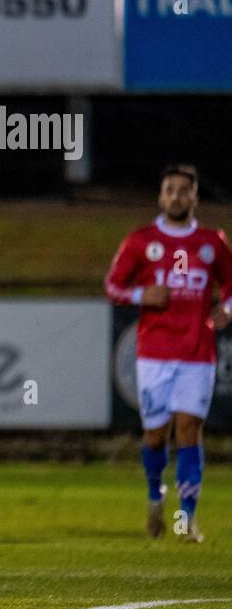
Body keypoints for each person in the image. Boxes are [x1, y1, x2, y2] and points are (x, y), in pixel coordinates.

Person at [105, 164, 232, 543]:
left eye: (184, 190)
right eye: (170, 190)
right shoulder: (141, 241)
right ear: (161, 197)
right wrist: (142, 295)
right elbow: (113, 286)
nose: (176, 196)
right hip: (155, 353)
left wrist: (227, 309)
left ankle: (185, 519)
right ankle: (154, 496)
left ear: (195, 197)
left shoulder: (213, 242)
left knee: (189, 430)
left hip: (197, 351)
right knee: (156, 436)